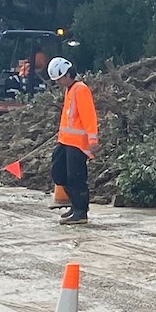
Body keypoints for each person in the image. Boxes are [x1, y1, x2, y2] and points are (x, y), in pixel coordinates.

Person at [48, 57, 97, 226]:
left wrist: (92, 139)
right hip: (66, 141)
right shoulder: (70, 90)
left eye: (60, 79)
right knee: (59, 171)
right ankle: (74, 204)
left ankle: (80, 211)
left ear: (68, 74)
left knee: (76, 177)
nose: (59, 82)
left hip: (78, 143)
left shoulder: (80, 90)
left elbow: (88, 115)